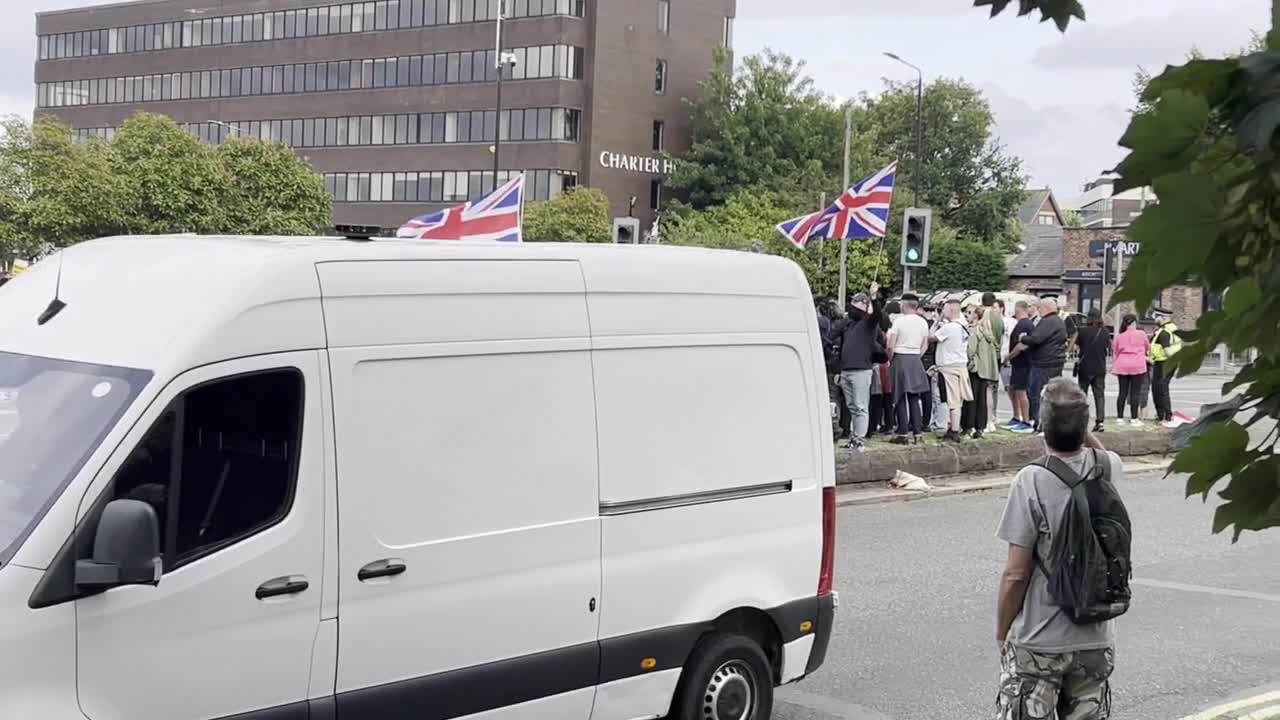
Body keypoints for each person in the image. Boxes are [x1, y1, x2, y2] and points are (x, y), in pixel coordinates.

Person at [995, 380, 1122, 720]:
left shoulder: (1031, 480)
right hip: (1095, 637)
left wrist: (1002, 630)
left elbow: (1016, 573)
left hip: (1040, 639)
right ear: (1084, 425)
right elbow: (1100, 452)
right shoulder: (1108, 469)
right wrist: (1079, 426)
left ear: (1042, 423)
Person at [833, 291, 890, 451]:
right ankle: (854, 437)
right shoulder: (849, 324)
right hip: (846, 370)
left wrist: (874, 299)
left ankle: (859, 440)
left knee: (860, 406)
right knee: (852, 406)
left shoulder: (869, 323)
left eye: (857, 305)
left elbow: (878, 315)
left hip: (861, 371)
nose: (852, 308)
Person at [1009, 297, 1068, 434]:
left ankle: (1039, 423)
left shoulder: (1048, 321)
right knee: (1050, 395)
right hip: (1054, 362)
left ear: (1046, 308)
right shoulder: (1058, 321)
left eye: (1040, 308)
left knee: (1037, 394)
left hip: (1044, 364)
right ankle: (1047, 424)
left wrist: (1022, 338)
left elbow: (1036, 338)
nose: (1038, 310)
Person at [886, 295, 931, 444]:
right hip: (915, 358)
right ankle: (918, 433)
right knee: (914, 397)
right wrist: (917, 355)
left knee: (899, 397)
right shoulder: (923, 322)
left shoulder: (899, 321)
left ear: (905, 305)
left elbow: (891, 345)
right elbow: (925, 344)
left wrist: (891, 358)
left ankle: (903, 433)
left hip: (900, 357)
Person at [932, 299, 973, 442]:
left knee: (953, 400)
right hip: (960, 365)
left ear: (950, 310)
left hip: (949, 366)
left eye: (944, 309)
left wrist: (936, 322)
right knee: (957, 400)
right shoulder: (963, 325)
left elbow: (931, 337)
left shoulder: (949, 327)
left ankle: (954, 430)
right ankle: (953, 427)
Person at [966, 296, 1004, 440]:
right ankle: (981, 427)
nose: (968, 316)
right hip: (987, 368)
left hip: (975, 368)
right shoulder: (991, 330)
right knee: (983, 397)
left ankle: (969, 427)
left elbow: (970, 350)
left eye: (970, 313)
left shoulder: (975, 331)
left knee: (972, 399)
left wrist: (969, 363)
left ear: (976, 315)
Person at [1075, 309, 1110, 433]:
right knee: (1099, 396)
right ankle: (1100, 422)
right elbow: (1107, 347)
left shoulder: (1083, 331)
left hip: (1085, 367)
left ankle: (1081, 421)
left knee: (1082, 395)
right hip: (1100, 367)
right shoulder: (1105, 332)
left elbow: (1076, 345)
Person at [1112, 314, 1150, 427]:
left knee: (1122, 392)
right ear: (1134, 323)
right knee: (1135, 393)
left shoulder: (1119, 336)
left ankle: (1119, 418)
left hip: (1122, 364)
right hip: (1138, 364)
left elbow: (1116, 350)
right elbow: (1148, 347)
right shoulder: (1142, 334)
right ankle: (1134, 419)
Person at [1004, 301, 1035, 433]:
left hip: (1023, 363)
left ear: (1018, 309)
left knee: (1021, 392)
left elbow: (1022, 345)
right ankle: (1016, 417)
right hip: (1018, 363)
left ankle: (1026, 421)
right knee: (1012, 389)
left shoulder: (1024, 325)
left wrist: (1008, 357)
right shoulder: (1022, 324)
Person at [1150, 309, 1182, 427]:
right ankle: (1163, 415)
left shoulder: (1164, 332)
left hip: (1164, 362)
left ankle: (1165, 416)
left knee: (1160, 389)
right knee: (1161, 388)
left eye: (1155, 317)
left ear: (1162, 318)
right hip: (1168, 362)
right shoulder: (1173, 328)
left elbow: (1167, 351)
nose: (1154, 319)